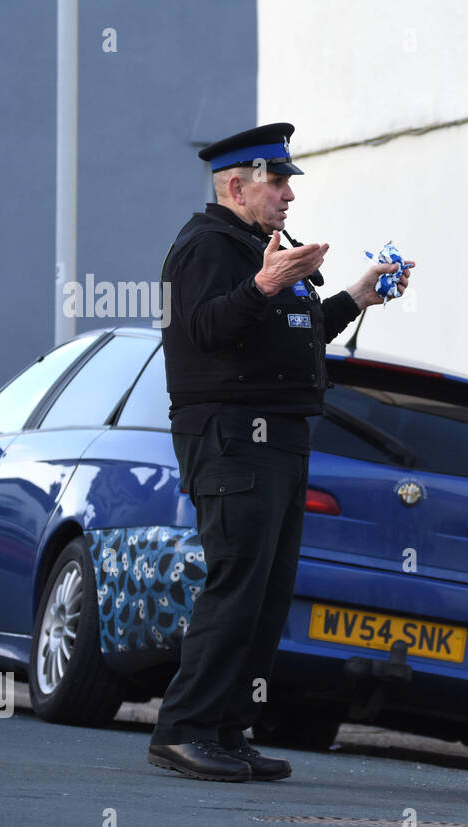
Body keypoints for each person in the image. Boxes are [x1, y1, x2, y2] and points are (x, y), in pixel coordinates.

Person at [148, 123, 411, 782]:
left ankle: (229, 729)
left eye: (290, 181)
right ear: (237, 185)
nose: (289, 193)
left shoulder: (265, 249)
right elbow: (202, 330)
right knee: (236, 582)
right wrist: (261, 286)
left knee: (267, 593)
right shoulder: (206, 247)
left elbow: (301, 329)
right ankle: (184, 729)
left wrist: (356, 295)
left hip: (281, 440)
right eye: (278, 180)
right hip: (235, 438)